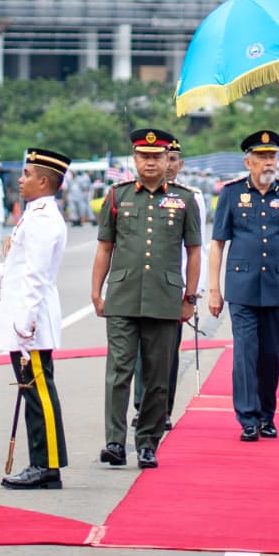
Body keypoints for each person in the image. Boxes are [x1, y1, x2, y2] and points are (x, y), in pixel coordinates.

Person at [0, 148, 74, 489]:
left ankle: (47, 466)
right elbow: (17, 271)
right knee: (32, 392)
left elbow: (36, 276)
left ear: (44, 181)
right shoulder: (34, 215)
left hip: (31, 320)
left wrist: (25, 323)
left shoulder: (42, 219)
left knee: (39, 393)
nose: (20, 180)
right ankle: (42, 462)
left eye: (26, 174)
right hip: (27, 316)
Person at [90, 127, 203, 470]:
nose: (150, 162)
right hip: (123, 295)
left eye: (157, 156)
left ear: (169, 160)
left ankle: (148, 443)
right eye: (144, 156)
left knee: (157, 376)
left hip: (165, 298)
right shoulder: (118, 196)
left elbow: (193, 251)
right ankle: (114, 441)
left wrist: (190, 296)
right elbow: (105, 247)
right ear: (135, 159)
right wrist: (96, 291)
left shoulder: (184, 200)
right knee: (118, 371)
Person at [206, 129, 279, 441]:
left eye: (272, 157)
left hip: (276, 286)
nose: (268, 162)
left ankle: (267, 415)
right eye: (262, 157)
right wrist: (214, 290)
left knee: (270, 355)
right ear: (248, 162)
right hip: (241, 287)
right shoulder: (231, 194)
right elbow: (217, 244)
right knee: (245, 353)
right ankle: (248, 418)